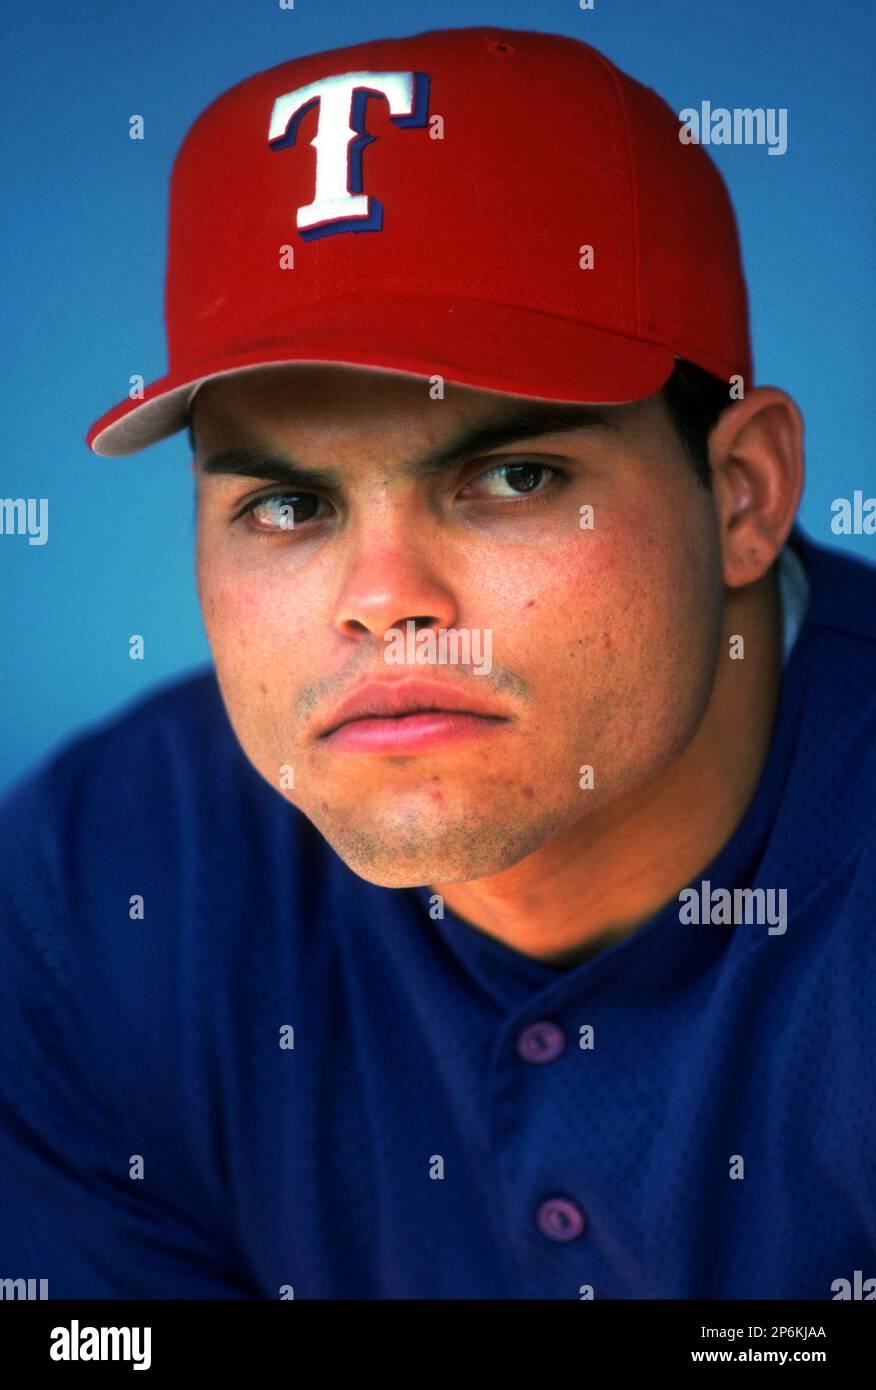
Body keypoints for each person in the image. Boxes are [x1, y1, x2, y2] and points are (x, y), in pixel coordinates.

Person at [1, 26, 874, 1301]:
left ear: (742, 492)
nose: (382, 601)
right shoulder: (93, 886)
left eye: (513, 477)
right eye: (290, 506)